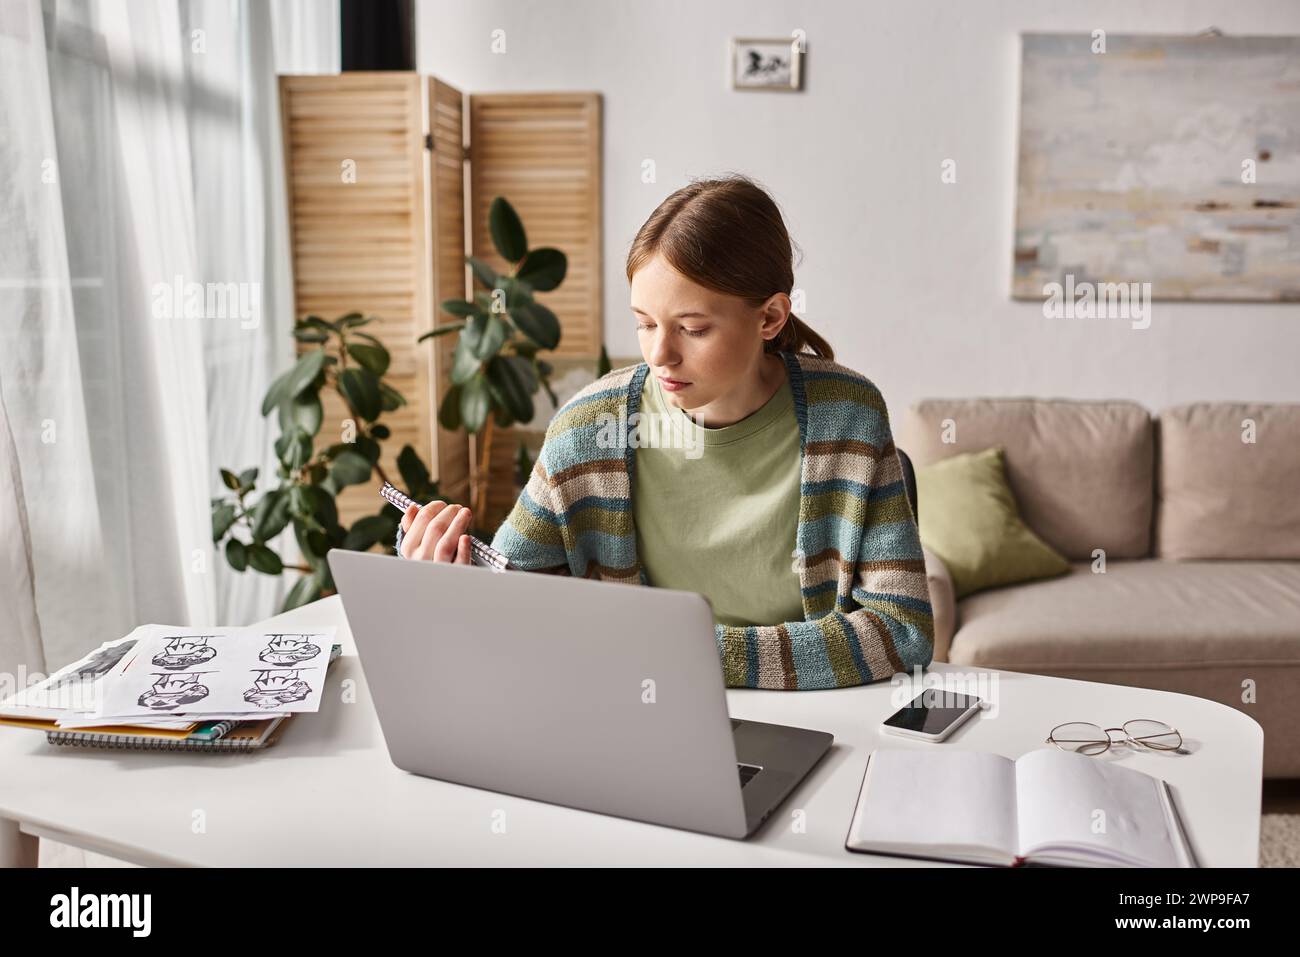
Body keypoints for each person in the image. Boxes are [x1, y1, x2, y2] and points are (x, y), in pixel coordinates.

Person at [396, 173, 934, 690]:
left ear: (769, 318)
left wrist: (692, 652)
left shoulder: (848, 416)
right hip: (635, 711)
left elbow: (903, 631)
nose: (660, 355)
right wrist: (446, 573)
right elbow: (518, 597)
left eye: (692, 328)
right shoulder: (593, 428)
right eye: (645, 323)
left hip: (814, 720)